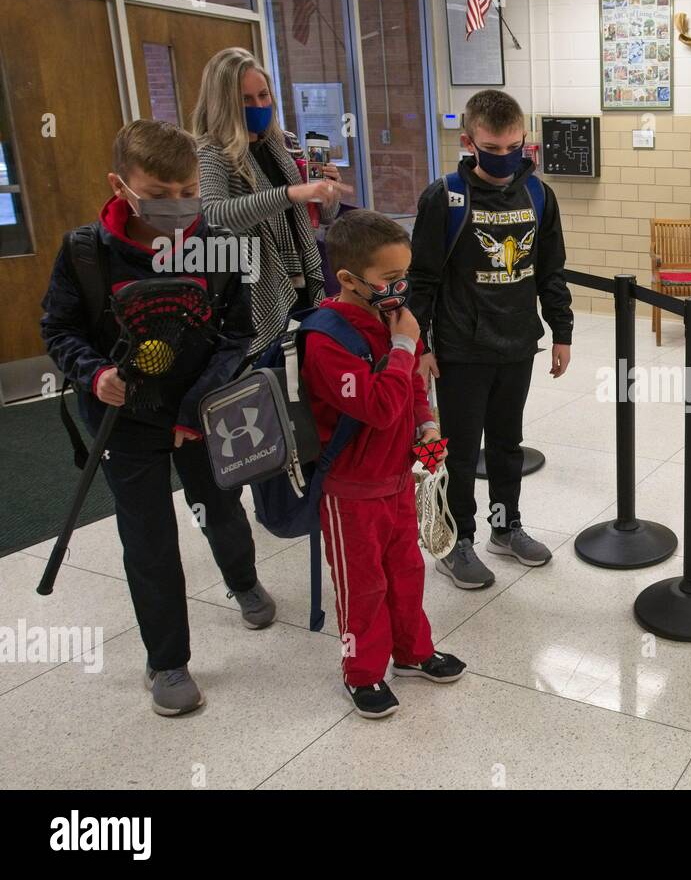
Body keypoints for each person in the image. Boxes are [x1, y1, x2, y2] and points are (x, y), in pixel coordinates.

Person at [40, 119, 274, 716]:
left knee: (219, 506)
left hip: (201, 408)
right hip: (126, 419)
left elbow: (238, 334)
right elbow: (59, 329)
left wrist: (197, 405)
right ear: (121, 186)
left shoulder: (220, 243)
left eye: (187, 191)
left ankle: (242, 578)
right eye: (159, 194)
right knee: (148, 538)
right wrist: (95, 374)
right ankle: (167, 659)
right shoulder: (85, 252)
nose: (177, 207)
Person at [303, 210, 466, 719]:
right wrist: (402, 344)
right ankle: (363, 673)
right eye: (389, 280)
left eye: (406, 277)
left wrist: (427, 426)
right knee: (363, 585)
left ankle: (414, 652)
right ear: (349, 280)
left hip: (396, 478)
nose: (400, 289)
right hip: (350, 488)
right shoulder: (325, 338)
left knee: (406, 570)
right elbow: (375, 405)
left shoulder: (390, 318)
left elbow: (413, 384)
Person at [407, 89, 573, 590]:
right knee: (457, 452)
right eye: (492, 148)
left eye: (513, 147)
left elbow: (551, 271)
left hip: (517, 344)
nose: (504, 158)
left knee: (506, 445)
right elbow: (423, 280)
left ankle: (506, 526)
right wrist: (422, 347)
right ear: (468, 142)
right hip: (460, 349)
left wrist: (561, 333)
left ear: (525, 140)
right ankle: (456, 543)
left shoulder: (539, 195)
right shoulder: (444, 198)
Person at [192, 46, 352, 356]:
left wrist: (327, 190)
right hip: (258, 285)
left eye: (264, 96)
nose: (259, 105)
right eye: (246, 99)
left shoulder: (284, 144)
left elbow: (317, 216)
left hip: (305, 274)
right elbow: (214, 214)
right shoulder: (212, 153)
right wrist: (290, 194)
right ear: (223, 103)